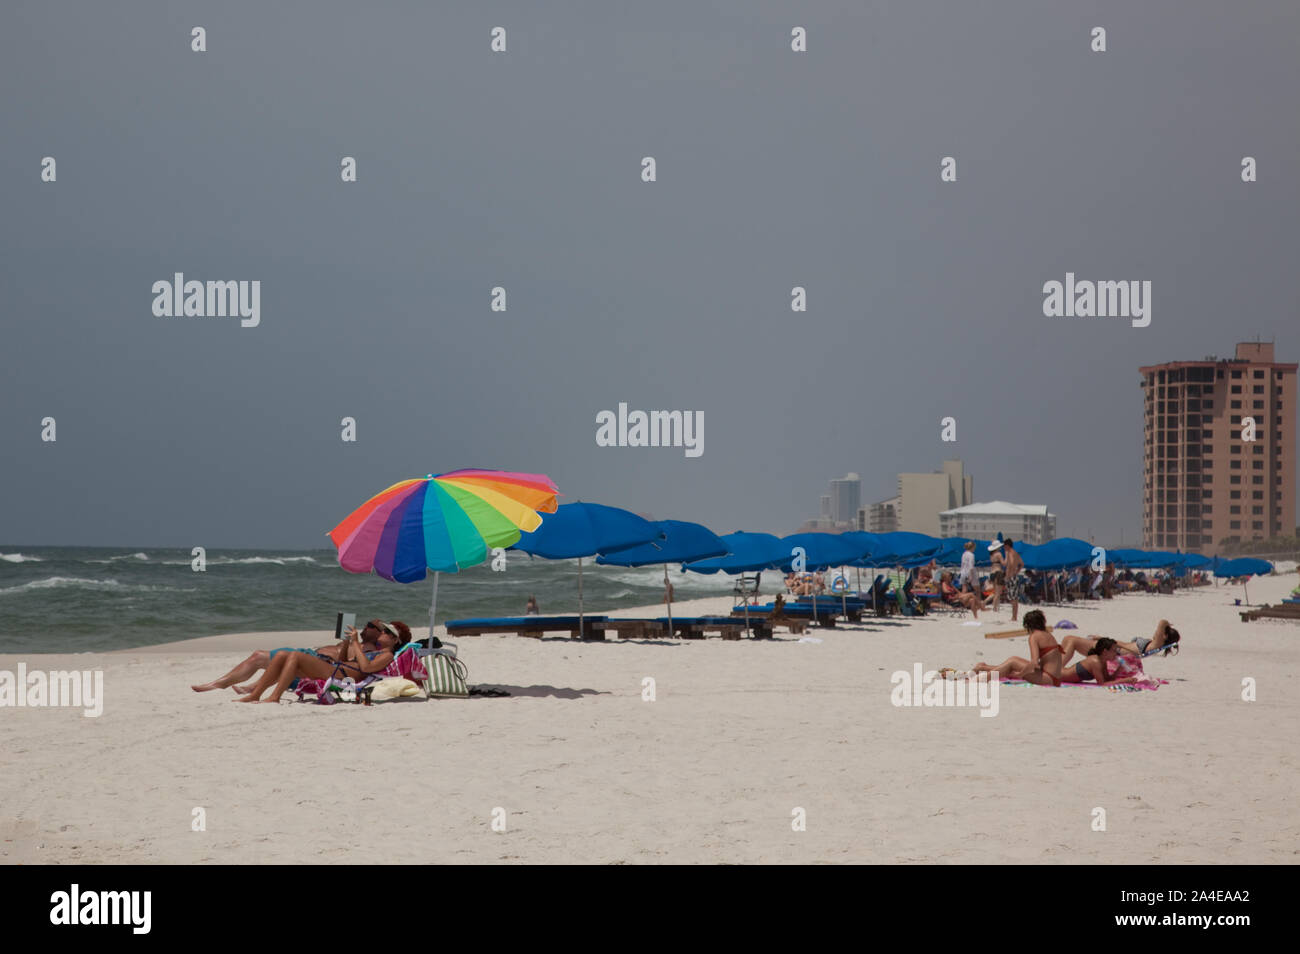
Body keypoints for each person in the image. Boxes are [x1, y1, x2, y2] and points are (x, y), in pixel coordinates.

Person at [235, 621, 413, 704]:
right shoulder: (373, 650)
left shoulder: (387, 655)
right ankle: (256, 695)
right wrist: (347, 643)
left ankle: (274, 697)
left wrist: (356, 643)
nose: (383, 632)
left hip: (343, 677)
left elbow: (366, 668)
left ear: (395, 640)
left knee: (296, 656)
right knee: (282, 655)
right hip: (338, 669)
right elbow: (344, 660)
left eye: (388, 632)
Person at [191, 621, 382, 693]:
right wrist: (346, 641)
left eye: (372, 626)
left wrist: (352, 644)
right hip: (312, 657)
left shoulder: (367, 649)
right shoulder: (356, 642)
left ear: (380, 634)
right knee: (261, 658)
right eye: (367, 624)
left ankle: (220, 684)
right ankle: (252, 687)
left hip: (314, 661)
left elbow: (346, 666)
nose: (367, 627)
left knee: (258, 656)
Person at [972, 610, 1061, 685]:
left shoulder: (1034, 637)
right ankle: (983, 668)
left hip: (1048, 679)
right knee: (1012, 666)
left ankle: (979, 679)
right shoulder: (1048, 635)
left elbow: (1034, 662)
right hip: (1055, 679)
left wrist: (1020, 674)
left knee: (1013, 661)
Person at [1059, 619, 1181, 664]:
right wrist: (1102, 638)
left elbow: (1162, 622)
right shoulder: (1153, 644)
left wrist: (1167, 626)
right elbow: (1124, 645)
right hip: (1112, 648)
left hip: (1111, 652)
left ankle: (1056, 669)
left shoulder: (1156, 644)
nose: (1155, 632)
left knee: (1072, 640)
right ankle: (1055, 666)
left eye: (1159, 632)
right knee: (1067, 639)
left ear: (1164, 636)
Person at [1057, 638, 1141, 686]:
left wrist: (1117, 671)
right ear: (1105, 652)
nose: (1116, 653)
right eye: (1114, 650)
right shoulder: (1095, 662)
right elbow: (1102, 684)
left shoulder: (1102, 661)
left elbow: (1108, 679)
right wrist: (1124, 681)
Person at [1002, 539, 1024, 622]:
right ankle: (1014, 616)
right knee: (1014, 597)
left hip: (1011, 577)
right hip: (1015, 576)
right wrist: (1017, 571)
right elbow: (1022, 564)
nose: (1004, 548)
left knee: (1012, 598)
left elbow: (1010, 563)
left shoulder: (1009, 553)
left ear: (1007, 545)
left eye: (1004, 546)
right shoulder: (1016, 553)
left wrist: (1008, 575)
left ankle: (1014, 617)